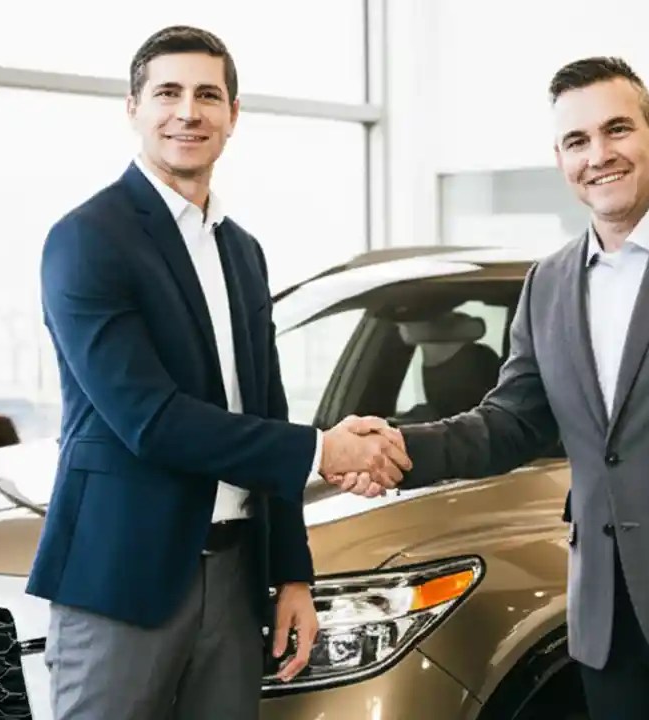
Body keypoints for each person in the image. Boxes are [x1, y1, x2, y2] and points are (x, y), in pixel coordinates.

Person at [337, 57, 649, 719]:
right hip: (604, 625)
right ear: (559, 159)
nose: (598, 155)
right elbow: (512, 422)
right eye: (577, 142)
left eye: (616, 131)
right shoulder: (548, 282)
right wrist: (396, 450)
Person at [24, 25, 410, 720]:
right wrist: (328, 450)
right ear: (133, 108)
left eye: (208, 95)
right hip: (123, 576)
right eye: (167, 92)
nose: (188, 112)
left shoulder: (242, 251)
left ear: (233, 117)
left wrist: (292, 571)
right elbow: (152, 421)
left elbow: (265, 410)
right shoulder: (87, 239)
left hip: (235, 579)